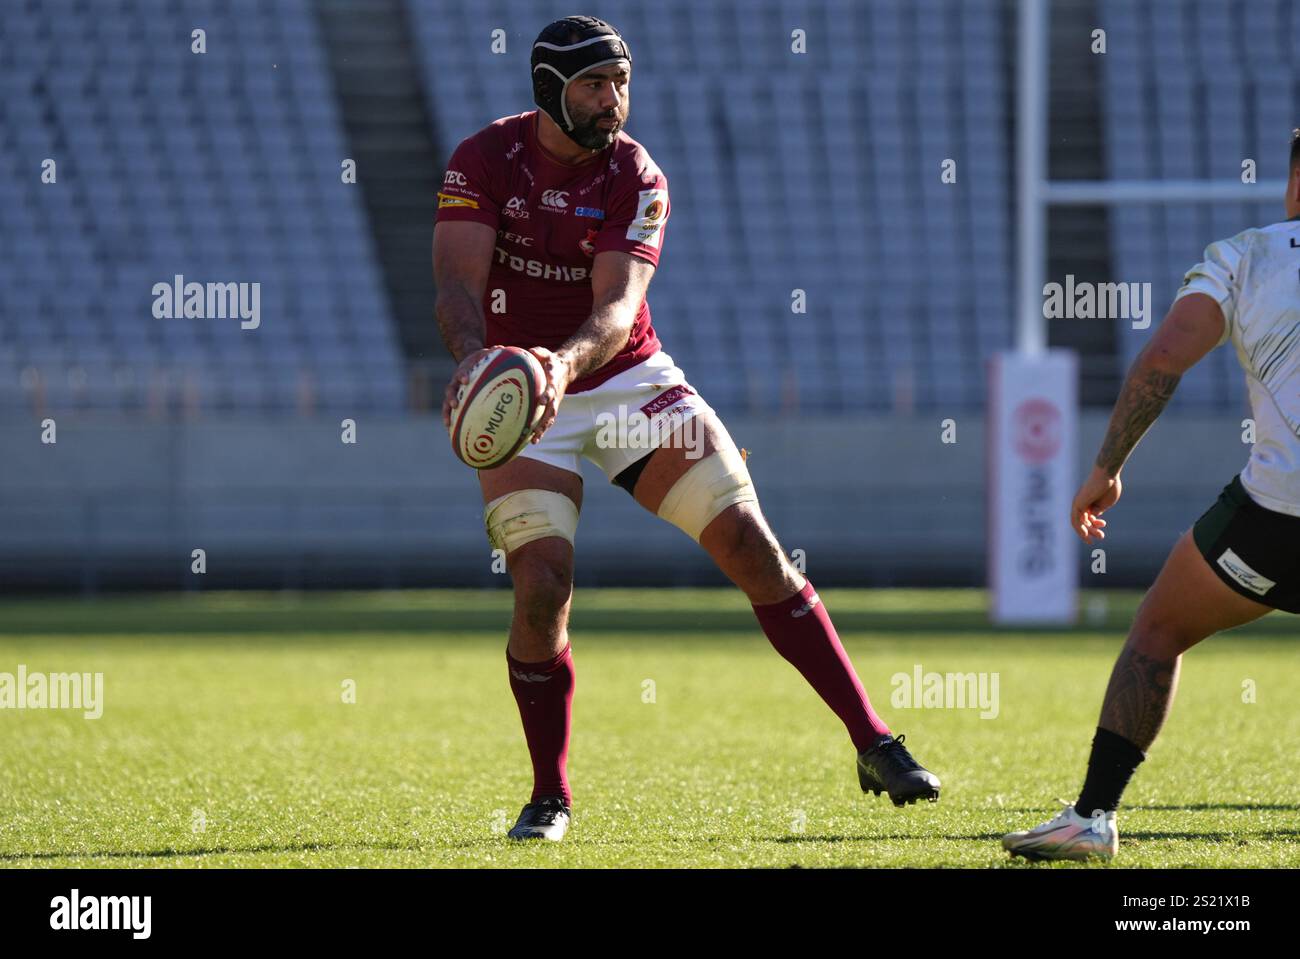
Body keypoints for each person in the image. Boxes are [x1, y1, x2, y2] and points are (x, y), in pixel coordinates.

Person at [433, 15, 939, 841]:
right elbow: (455, 285)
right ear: (549, 90)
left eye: (620, 84)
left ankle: (874, 739)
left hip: (625, 375)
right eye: (594, 85)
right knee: (542, 585)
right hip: (520, 391)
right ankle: (549, 796)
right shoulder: (482, 159)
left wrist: (561, 366)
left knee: (751, 544)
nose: (613, 101)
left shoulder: (636, 173)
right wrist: (474, 366)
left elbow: (617, 306)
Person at [1003, 129, 1300, 861]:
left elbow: (1164, 357)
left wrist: (1107, 465)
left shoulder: (1246, 257)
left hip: (1276, 517)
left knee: (1158, 633)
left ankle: (1094, 815)